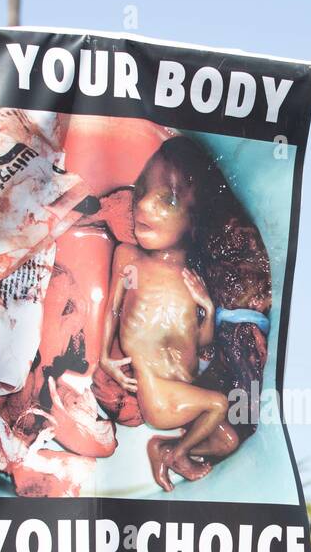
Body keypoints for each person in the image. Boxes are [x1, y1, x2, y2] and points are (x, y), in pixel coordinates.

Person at [98, 138, 247, 491]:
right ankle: (175, 454)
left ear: (194, 224)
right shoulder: (128, 258)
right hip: (157, 392)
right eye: (142, 191)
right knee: (218, 405)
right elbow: (112, 309)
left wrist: (208, 310)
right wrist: (105, 356)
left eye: (168, 200)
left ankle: (167, 449)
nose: (144, 205)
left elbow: (205, 345)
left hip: (184, 388)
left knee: (227, 442)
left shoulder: (192, 280)